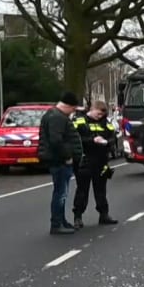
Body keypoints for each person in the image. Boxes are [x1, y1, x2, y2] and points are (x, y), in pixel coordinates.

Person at [36, 92, 83, 234]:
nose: (73, 112)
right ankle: (56, 224)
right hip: (60, 161)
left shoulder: (54, 115)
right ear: (68, 106)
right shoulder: (57, 117)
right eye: (73, 109)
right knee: (60, 193)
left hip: (58, 159)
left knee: (61, 192)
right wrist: (67, 156)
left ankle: (61, 221)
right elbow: (56, 140)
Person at [71, 101, 119, 228]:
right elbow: (75, 139)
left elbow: (113, 138)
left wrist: (107, 142)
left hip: (101, 161)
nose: (100, 116)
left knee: (101, 190)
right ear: (92, 109)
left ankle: (104, 215)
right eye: (98, 113)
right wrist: (92, 140)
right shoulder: (80, 121)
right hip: (85, 160)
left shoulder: (105, 122)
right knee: (82, 190)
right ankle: (78, 217)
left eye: (102, 114)